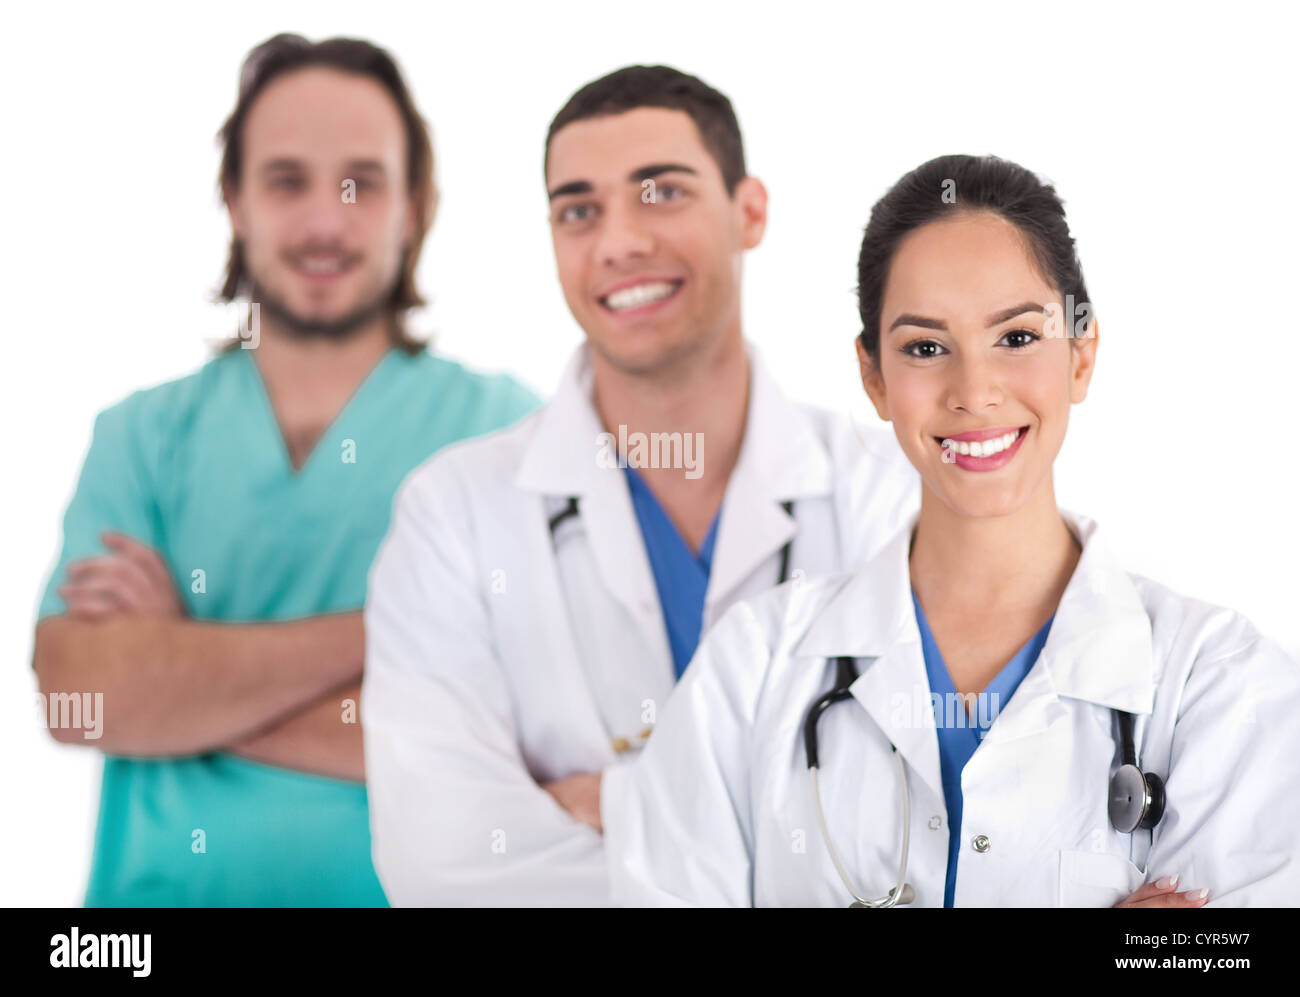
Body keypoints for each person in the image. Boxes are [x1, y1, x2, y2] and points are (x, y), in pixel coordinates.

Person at [603, 154, 1300, 907]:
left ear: (1082, 354)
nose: (974, 391)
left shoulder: (1220, 685)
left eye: (1017, 337)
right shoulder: (750, 673)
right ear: (874, 376)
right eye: (925, 347)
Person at [362, 65, 919, 906]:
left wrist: (617, 802)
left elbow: (942, 823)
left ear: (750, 211)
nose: (619, 239)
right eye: (578, 210)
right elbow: (446, 866)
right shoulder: (454, 514)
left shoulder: (892, 495)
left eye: (661, 192)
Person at [32, 34, 538, 907]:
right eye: (286, 180)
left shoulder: (506, 431)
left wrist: (181, 677)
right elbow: (85, 693)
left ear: (415, 204)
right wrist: (403, 633)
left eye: (361, 183)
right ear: (234, 200)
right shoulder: (143, 435)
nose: (324, 222)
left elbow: (528, 737)